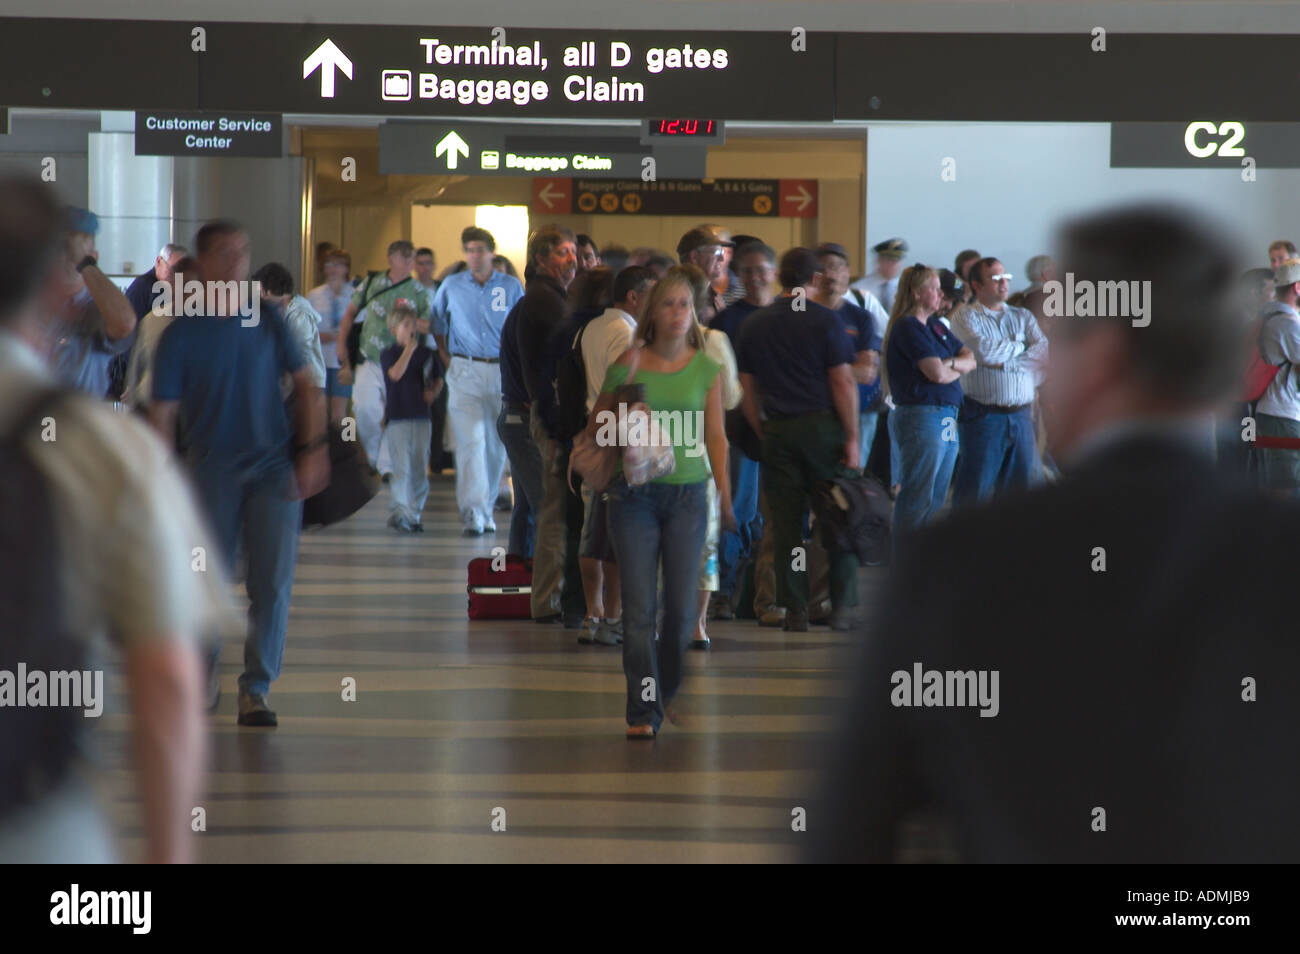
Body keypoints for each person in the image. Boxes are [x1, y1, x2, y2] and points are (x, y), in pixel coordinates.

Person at [813, 204, 1300, 864]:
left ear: (1098, 357)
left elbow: (849, 833)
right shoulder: (1277, 555)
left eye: (1058, 343)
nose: (1046, 368)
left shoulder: (958, 563)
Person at [0, 175, 228, 864]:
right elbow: (165, 675)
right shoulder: (105, 453)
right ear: (50, 282)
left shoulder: (97, 331)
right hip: (34, 819)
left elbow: (118, 325)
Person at [151, 220, 329, 728]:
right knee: (208, 581)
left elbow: (306, 383)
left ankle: (256, 687)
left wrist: (312, 450)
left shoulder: (267, 320)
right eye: (225, 254)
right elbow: (162, 416)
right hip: (210, 473)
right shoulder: (179, 334)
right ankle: (201, 673)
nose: (236, 263)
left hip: (272, 468)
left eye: (242, 253)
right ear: (203, 264)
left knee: (272, 582)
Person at [585, 266, 734, 737]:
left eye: (684, 305)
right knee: (638, 609)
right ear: (651, 312)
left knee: (680, 612)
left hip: (690, 495)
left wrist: (726, 497)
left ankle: (664, 689)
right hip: (633, 495)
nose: (676, 312)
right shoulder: (627, 362)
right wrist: (627, 425)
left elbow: (717, 437)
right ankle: (642, 710)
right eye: (667, 304)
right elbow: (597, 427)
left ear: (695, 314)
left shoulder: (707, 368)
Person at [736, 248, 860, 632]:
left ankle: (795, 607)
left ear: (780, 278)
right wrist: (852, 437)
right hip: (823, 430)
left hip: (778, 431)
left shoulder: (754, 324)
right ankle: (840, 605)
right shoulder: (825, 320)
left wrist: (764, 430)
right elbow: (841, 381)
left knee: (789, 528)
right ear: (817, 279)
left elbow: (746, 388)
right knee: (837, 518)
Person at [576, 266, 656, 645]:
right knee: (615, 534)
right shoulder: (627, 334)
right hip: (618, 436)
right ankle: (614, 615)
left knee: (594, 532)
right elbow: (626, 392)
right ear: (634, 297)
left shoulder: (593, 327)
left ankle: (594, 612)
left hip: (598, 429)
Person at [431, 227, 524, 535]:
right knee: (471, 441)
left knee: (497, 445)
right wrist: (446, 356)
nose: (474, 255)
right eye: (469, 250)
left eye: (480, 250)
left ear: (491, 253)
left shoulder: (510, 286)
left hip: (501, 371)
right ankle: (473, 511)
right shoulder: (452, 285)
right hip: (465, 368)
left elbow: (521, 327)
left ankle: (485, 508)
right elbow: (437, 322)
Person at [515, 225, 583, 622]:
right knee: (555, 512)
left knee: (553, 509)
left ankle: (547, 598)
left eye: (573, 251)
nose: (572, 259)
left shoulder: (550, 297)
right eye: (562, 253)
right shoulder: (545, 300)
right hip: (551, 416)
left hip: (548, 413)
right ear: (540, 260)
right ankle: (546, 600)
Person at [883, 265, 976, 547]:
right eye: (934, 288)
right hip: (922, 415)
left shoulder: (935, 325)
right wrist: (951, 367)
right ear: (916, 292)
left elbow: (970, 357)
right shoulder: (908, 326)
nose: (940, 294)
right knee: (918, 493)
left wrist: (950, 366)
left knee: (936, 494)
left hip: (947, 414)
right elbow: (935, 374)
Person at [949, 257, 1049, 505]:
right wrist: (1022, 347)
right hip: (983, 416)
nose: (1004, 283)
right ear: (977, 286)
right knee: (976, 491)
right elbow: (984, 353)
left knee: (1019, 491)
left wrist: (1007, 363)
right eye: (995, 278)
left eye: (1005, 277)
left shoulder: (1023, 316)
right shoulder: (965, 318)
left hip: (1022, 416)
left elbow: (1043, 352)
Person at [682, 263, 743, 648]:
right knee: (703, 543)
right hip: (698, 453)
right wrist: (726, 494)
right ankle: (697, 623)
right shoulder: (713, 341)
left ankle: (668, 619)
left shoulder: (640, 344)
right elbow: (732, 398)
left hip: (653, 457)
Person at [335, 240, 433, 478]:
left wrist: (407, 321)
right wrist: (341, 344)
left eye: (412, 259)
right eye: (405, 258)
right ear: (391, 259)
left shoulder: (418, 291)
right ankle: (373, 456)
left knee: (396, 412)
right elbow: (350, 315)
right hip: (370, 356)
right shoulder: (371, 283)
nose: (410, 263)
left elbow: (430, 325)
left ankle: (388, 466)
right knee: (365, 407)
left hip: (403, 361)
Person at [38, 207, 138, 399]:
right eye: (60, 248)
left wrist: (84, 263)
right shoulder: (29, 300)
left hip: (80, 420)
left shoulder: (97, 306)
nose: (65, 256)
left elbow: (124, 323)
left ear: (94, 257)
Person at [381, 303, 444, 531]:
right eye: (405, 325)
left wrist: (434, 391)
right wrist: (409, 349)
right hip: (398, 418)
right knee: (401, 467)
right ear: (393, 329)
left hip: (421, 417)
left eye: (413, 324)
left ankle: (414, 513)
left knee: (418, 466)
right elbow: (395, 374)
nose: (410, 329)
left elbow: (438, 378)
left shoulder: (426, 354)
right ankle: (400, 511)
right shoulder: (389, 354)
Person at [1252, 257, 1300, 497]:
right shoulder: (1288, 324)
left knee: (1276, 487)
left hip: (1270, 412)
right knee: (1285, 491)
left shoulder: (1269, 317)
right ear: (1297, 287)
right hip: (1282, 415)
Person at [122, 255, 196, 412]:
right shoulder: (153, 320)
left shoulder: (209, 326)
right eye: (183, 284)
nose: (188, 291)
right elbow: (136, 368)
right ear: (171, 285)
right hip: (149, 405)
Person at [253, 262, 328, 403]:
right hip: (298, 384)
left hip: (306, 385)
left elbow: (299, 353)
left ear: (266, 290)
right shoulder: (286, 312)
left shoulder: (299, 314)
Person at [307, 247, 355, 425]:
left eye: (338, 265)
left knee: (341, 411)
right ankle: (323, 447)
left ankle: (346, 445)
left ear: (346, 268)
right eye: (329, 264)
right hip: (319, 360)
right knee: (319, 410)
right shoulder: (314, 296)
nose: (333, 269)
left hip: (343, 361)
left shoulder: (354, 296)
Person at [677, 226, 735, 318]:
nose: (721, 258)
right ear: (694, 257)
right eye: (717, 253)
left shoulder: (712, 294)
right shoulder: (678, 293)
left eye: (722, 252)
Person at [850, 238, 907, 312]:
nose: (892, 264)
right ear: (879, 260)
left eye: (896, 260)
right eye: (888, 260)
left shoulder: (907, 288)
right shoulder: (859, 288)